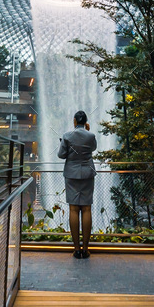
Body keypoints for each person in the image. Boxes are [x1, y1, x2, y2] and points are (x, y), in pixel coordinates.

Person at [57, 110, 97, 259]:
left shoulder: (67, 136)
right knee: (86, 208)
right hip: (87, 173)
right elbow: (93, 148)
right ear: (85, 122)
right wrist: (88, 131)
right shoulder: (91, 136)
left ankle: (76, 249)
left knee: (73, 209)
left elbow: (61, 155)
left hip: (72, 175)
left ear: (74, 121)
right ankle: (86, 249)